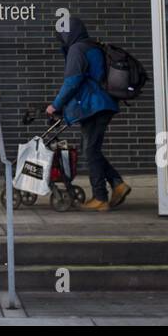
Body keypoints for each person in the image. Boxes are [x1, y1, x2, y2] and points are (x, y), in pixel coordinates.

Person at [45, 17, 130, 212]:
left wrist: (55, 105)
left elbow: (72, 82)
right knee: (91, 149)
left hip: (94, 106)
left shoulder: (77, 49)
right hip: (101, 104)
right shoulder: (93, 45)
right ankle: (117, 183)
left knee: (90, 150)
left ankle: (100, 197)